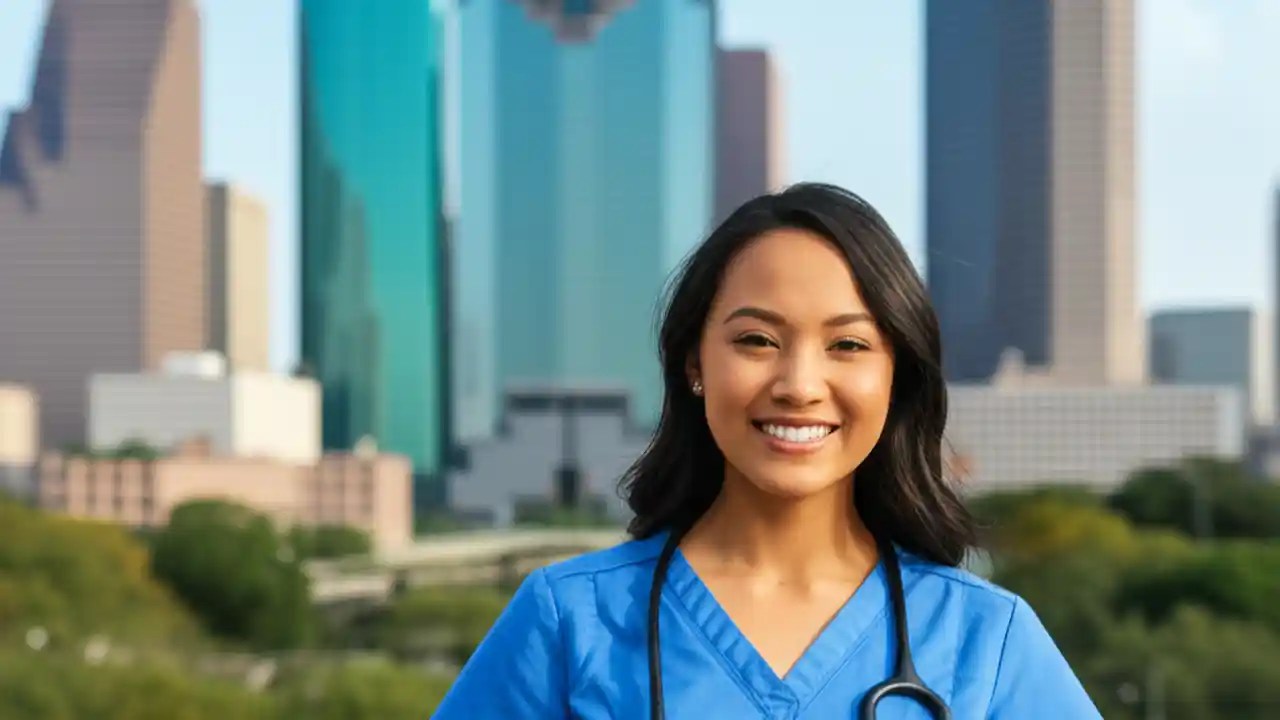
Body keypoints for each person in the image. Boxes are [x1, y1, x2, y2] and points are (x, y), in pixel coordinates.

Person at [432, 184, 1102, 719]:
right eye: (756, 341)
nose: (799, 386)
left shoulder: (984, 638)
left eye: (848, 345)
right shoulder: (569, 623)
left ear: (896, 376)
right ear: (694, 361)